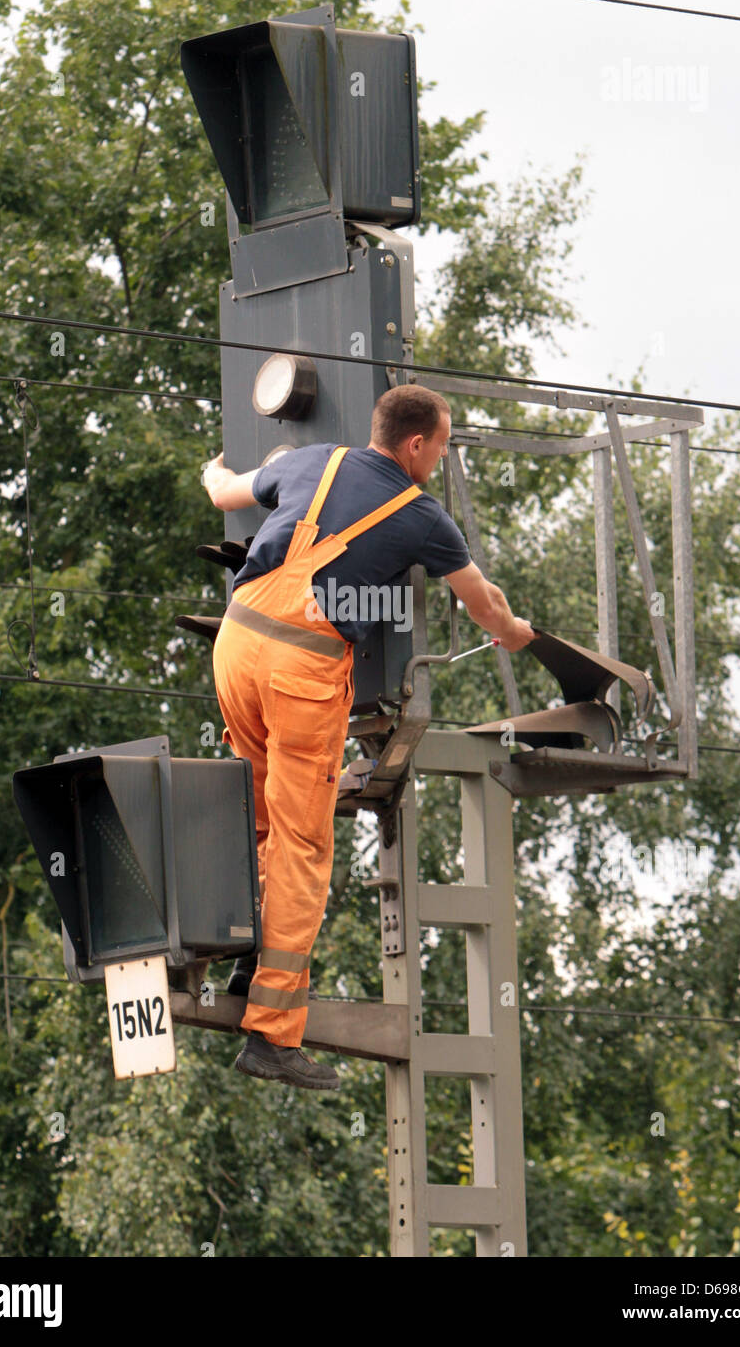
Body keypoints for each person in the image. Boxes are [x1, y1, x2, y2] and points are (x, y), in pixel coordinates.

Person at [203, 384, 535, 1091]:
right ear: (417, 445)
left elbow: (225, 491)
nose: (439, 462)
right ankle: (272, 1035)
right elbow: (484, 603)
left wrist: (213, 467)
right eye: (441, 449)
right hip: (300, 666)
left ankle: (245, 956)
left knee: (254, 819)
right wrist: (514, 635)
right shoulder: (423, 516)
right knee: (301, 844)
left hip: (236, 642)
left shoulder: (313, 461)